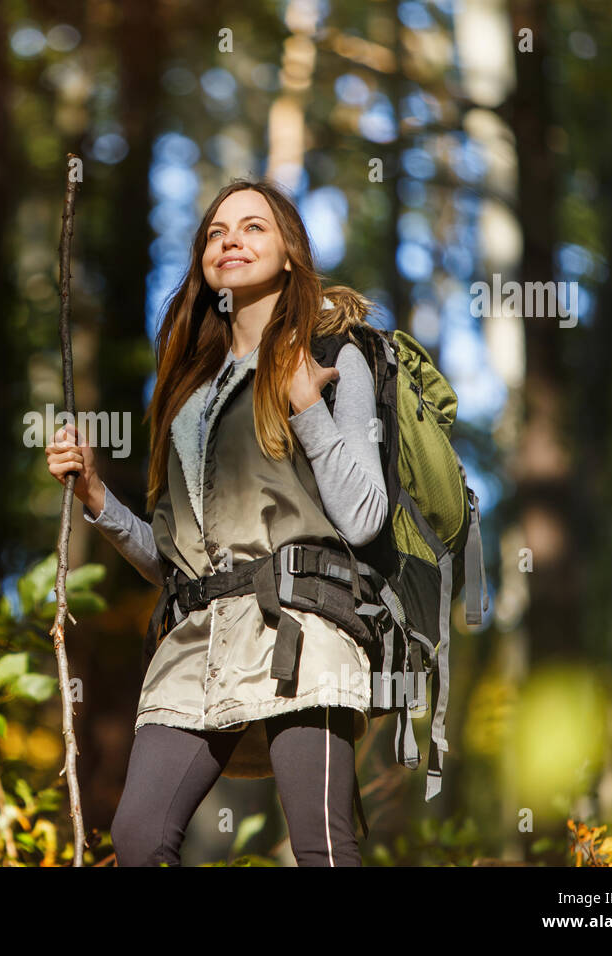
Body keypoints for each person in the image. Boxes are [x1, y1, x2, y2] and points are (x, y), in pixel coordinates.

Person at [44, 178, 388, 866]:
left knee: (323, 845)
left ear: (291, 252)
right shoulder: (188, 391)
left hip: (303, 627)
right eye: (216, 232)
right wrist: (95, 498)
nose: (231, 240)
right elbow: (176, 564)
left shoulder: (333, 355)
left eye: (254, 227)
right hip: (194, 642)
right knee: (139, 840)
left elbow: (365, 516)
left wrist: (304, 408)